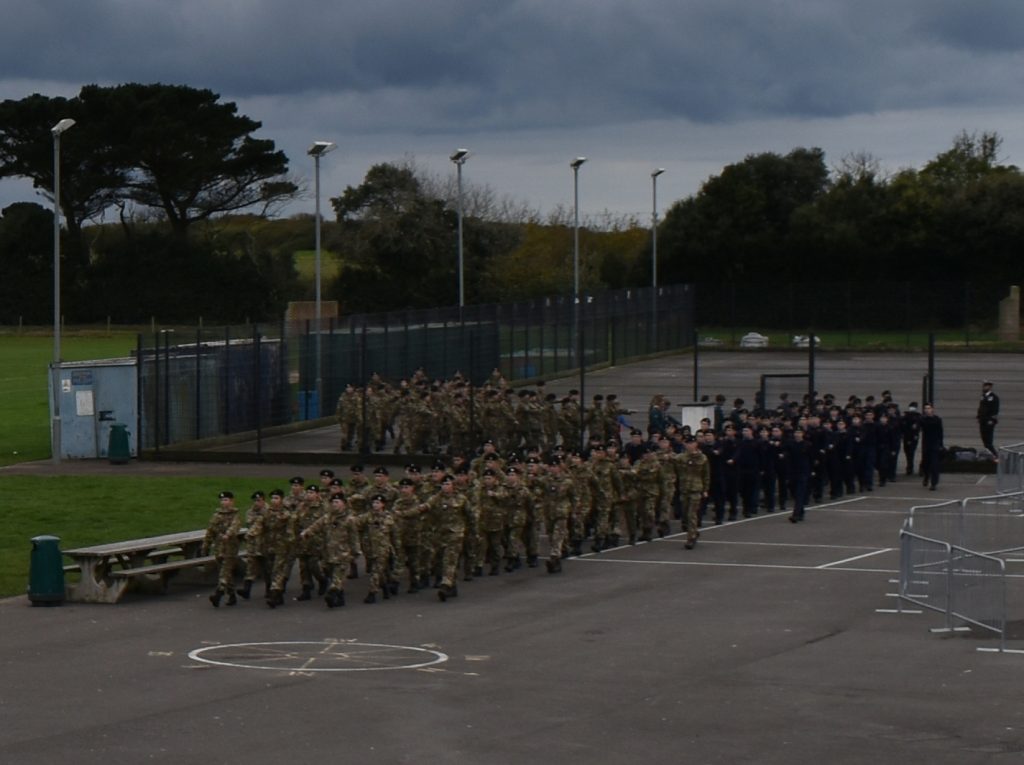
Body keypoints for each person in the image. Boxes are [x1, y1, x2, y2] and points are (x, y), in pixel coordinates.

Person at [202, 491, 242, 607]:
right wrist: (206, 545)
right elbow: (210, 531)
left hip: (230, 548)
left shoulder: (235, 515)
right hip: (219, 548)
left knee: (225, 571)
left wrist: (228, 534)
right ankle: (232, 594)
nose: (224, 503)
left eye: (226, 500)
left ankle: (218, 594)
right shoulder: (217, 516)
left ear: (232, 501)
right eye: (222, 500)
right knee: (225, 572)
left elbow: (235, 527)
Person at [920, 403, 944, 490]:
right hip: (926, 444)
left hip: (935, 444)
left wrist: (941, 444)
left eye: (929, 408)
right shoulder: (923, 420)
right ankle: (926, 476)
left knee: (934, 464)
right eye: (926, 408)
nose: (927, 410)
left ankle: (934, 483)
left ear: (932, 409)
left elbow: (940, 432)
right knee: (926, 463)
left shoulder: (937, 419)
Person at [977, 380, 1000, 459]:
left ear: (990, 387)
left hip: (989, 422)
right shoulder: (983, 396)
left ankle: (996, 456)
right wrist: (979, 417)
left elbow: (995, 410)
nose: (984, 387)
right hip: (982, 421)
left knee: (989, 441)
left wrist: (991, 420)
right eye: (984, 386)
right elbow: (981, 408)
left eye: (986, 386)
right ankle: (991, 455)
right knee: (985, 440)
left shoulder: (994, 397)